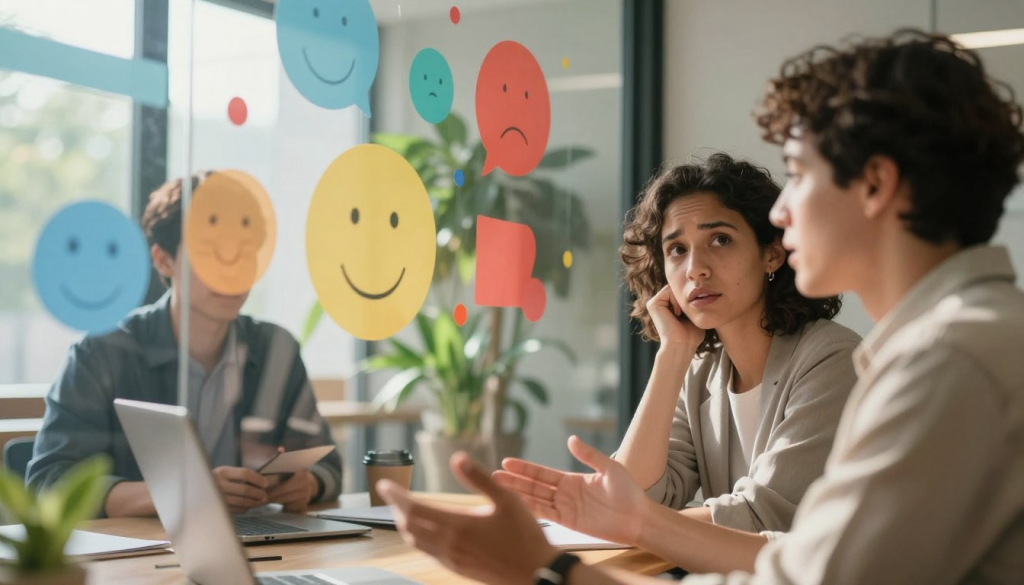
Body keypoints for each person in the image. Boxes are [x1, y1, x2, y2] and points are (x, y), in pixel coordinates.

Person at [378, 28, 1024, 585]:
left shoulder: (949, 359)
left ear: (877, 185)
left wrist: (546, 569)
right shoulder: (958, 343)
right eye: (677, 249)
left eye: (798, 173)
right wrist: (631, 517)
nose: (780, 210)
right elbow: (798, 559)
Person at [27, 173, 343, 518]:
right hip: (139, 559)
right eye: (210, 251)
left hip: (260, 547)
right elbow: (49, 482)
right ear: (163, 260)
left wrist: (307, 484)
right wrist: (187, 493)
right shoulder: (103, 352)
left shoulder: (276, 349)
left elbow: (327, 464)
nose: (231, 267)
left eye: (245, 250)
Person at [615, 153, 859, 535]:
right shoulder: (700, 374)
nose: (696, 267)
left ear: (772, 254)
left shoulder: (832, 359)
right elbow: (632, 495)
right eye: (677, 249)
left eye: (720, 239)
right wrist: (672, 353)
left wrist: (631, 520)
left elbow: (765, 516)